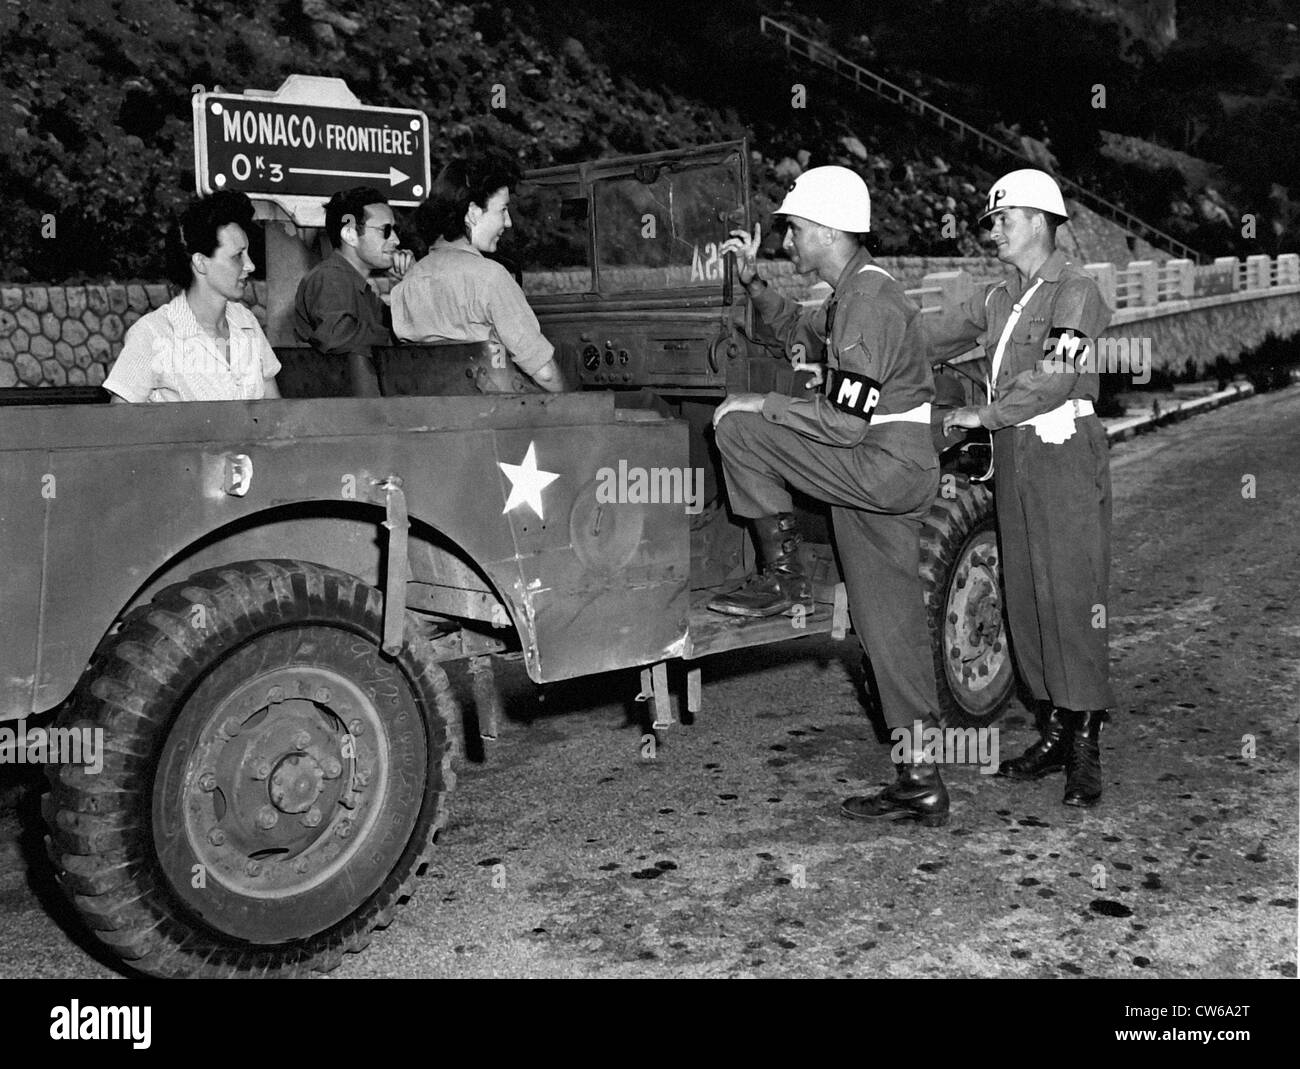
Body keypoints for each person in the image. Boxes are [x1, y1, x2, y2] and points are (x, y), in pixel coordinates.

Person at [709, 166, 949, 827]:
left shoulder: (865, 304)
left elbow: (845, 422)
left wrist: (768, 402)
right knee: (887, 620)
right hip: (890, 470)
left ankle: (782, 578)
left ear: (825, 231)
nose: (789, 241)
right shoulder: (858, 292)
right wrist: (753, 276)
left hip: (877, 464)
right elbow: (795, 325)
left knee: (738, 426)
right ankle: (920, 778)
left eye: (793, 230)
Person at [931, 168, 1113, 807]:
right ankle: (1054, 727)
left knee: (1070, 590)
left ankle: (1086, 739)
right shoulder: (999, 296)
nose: (994, 231)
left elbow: (1059, 375)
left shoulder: (1077, 291)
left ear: (1039, 220)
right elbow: (924, 337)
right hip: (1014, 452)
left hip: (1062, 449)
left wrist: (981, 414)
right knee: (1027, 594)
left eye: (1003, 220)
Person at [389, 152, 565, 392]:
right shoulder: (491, 278)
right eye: (502, 210)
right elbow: (544, 373)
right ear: (473, 213)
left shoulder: (408, 281)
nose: (508, 222)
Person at [104, 190, 280, 403]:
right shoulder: (152, 333)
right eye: (237, 256)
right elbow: (117, 421)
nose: (250, 265)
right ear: (200, 262)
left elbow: (275, 412)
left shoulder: (246, 322)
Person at [293, 186, 414, 396]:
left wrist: (410, 283)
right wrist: (391, 336)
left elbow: (404, 331)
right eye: (385, 231)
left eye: (395, 231)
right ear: (350, 234)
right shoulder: (329, 278)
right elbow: (337, 335)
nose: (396, 240)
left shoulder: (359, 287)